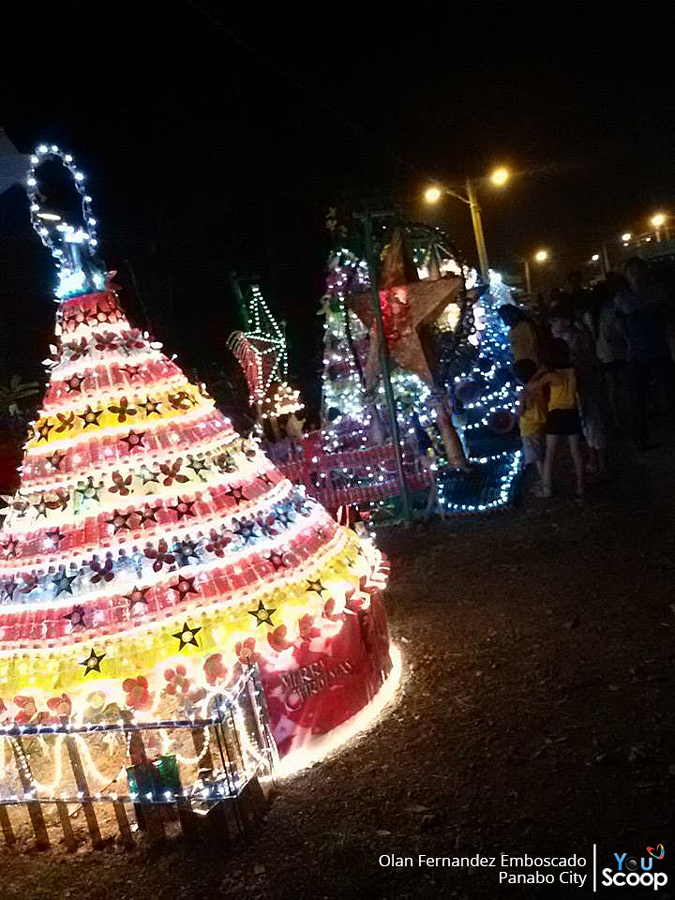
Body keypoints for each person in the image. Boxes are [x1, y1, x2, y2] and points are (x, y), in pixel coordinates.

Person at [614, 256, 675, 447]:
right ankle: (641, 439)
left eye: (638, 270)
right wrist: (630, 342)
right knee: (637, 400)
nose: (635, 275)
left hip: (660, 350)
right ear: (626, 275)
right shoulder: (622, 299)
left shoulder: (658, 294)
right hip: (636, 354)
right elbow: (620, 326)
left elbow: (669, 322)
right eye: (631, 272)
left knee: (670, 394)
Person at [549, 304, 608, 476]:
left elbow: (584, 362)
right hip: (576, 386)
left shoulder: (576, 338)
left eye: (555, 321)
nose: (552, 325)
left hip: (585, 384)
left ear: (566, 321)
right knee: (586, 425)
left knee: (592, 423)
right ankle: (592, 460)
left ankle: (600, 463)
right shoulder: (565, 337)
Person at [529, 338, 585, 499]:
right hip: (572, 412)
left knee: (550, 452)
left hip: (556, 414)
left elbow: (531, 386)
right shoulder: (572, 370)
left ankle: (547, 488)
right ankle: (580, 485)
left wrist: (540, 371)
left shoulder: (552, 375)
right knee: (576, 451)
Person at [584, 276, 628, 428]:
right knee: (622, 384)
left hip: (601, 355)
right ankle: (625, 413)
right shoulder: (609, 312)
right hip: (617, 352)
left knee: (611, 388)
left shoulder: (589, 315)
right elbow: (620, 331)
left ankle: (616, 415)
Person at [513, 358, 547, 487]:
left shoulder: (523, 393)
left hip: (529, 428)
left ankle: (545, 481)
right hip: (540, 423)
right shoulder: (539, 387)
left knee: (537, 457)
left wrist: (515, 407)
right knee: (542, 451)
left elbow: (520, 412)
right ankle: (545, 478)